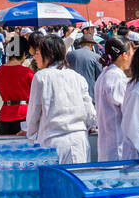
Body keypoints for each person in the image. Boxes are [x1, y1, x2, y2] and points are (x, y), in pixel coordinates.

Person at [26, 33, 95, 163]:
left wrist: (31, 136)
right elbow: (90, 111)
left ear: (48, 55)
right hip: (79, 141)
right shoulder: (77, 77)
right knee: (78, 180)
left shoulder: (41, 77)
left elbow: (34, 112)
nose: (35, 57)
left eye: (38, 53)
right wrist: (90, 125)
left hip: (53, 141)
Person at [93, 36, 133, 161]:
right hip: (118, 147)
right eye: (132, 53)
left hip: (108, 146)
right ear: (124, 55)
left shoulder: (105, 74)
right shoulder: (116, 77)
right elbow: (128, 111)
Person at [0, 45, 35, 136]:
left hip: (5, 112)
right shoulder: (28, 72)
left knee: (4, 145)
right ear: (23, 55)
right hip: (23, 113)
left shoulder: (0, 70)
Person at [65, 30, 103, 97]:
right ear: (91, 45)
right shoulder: (96, 57)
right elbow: (99, 77)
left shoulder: (70, 54)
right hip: (90, 93)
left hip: (73, 92)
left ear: (81, 44)